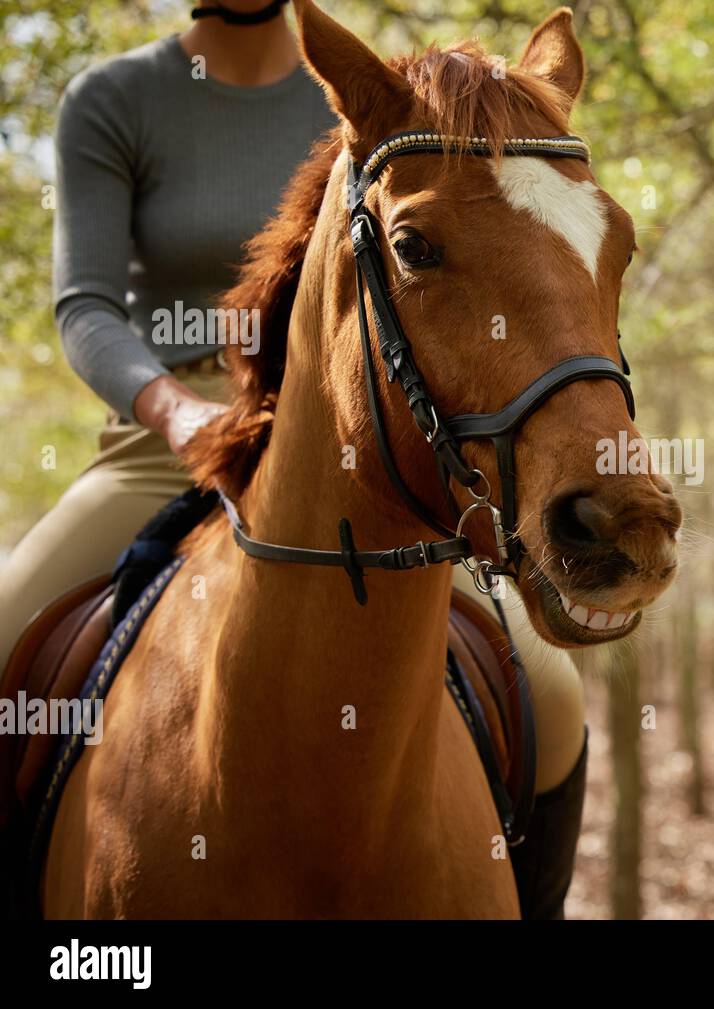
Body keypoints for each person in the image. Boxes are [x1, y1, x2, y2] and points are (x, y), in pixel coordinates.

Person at [0, 0, 588, 919]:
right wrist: (175, 411)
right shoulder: (112, 99)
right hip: (168, 446)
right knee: (2, 637)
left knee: (550, 694)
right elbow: (85, 307)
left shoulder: (374, 91)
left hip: (361, 446)